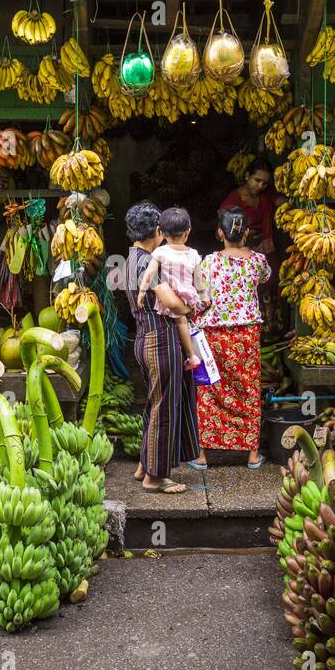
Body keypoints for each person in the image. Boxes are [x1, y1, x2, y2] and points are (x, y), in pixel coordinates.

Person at [123, 201, 200, 495]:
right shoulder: (147, 261)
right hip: (160, 340)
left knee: (154, 404)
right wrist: (188, 308)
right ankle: (155, 477)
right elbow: (169, 301)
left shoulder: (131, 258)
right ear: (157, 230)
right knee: (164, 407)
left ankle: (146, 464)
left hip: (144, 340)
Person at [188, 207, 272, 470]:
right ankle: (252, 455)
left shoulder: (209, 262)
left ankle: (202, 455)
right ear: (247, 232)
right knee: (248, 390)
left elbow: (201, 299)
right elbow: (265, 277)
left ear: (219, 233)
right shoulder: (257, 261)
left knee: (210, 390)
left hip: (214, 335)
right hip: (246, 335)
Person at [135, 207, 204, 371]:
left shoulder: (160, 252)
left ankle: (191, 355)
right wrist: (203, 296)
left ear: (162, 233)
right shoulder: (194, 254)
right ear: (188, 232)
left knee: (180, 320)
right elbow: (199, 280)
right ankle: (195, 355)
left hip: (172, 295)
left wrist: (142, 291)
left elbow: (149, 274)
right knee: (187, 321)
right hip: (188, 294)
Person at [219, 159, 278, 256]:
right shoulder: (232, 201)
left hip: (268, 253)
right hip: (243, 257)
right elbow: (220, 232)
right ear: (247, 176)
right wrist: (243, 232)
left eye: (265, 183)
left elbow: (282, 201)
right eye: (257, 180)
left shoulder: (267, 193)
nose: (260, 186)